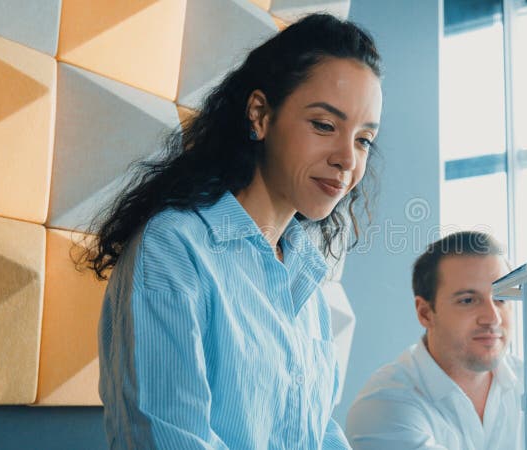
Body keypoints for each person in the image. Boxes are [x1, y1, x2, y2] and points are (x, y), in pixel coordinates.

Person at [84, 13, 382, 449]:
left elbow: (315, 434)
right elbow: (170, 439)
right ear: (260, 114)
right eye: (324, 125)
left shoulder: (306, 275)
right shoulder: (173, 247)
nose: (347, 159)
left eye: (364, 140)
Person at [345, 231, 527, 450]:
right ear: (425, 313)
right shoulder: (384, 406)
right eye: (468, 300)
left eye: (501, 298)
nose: (492, 317)